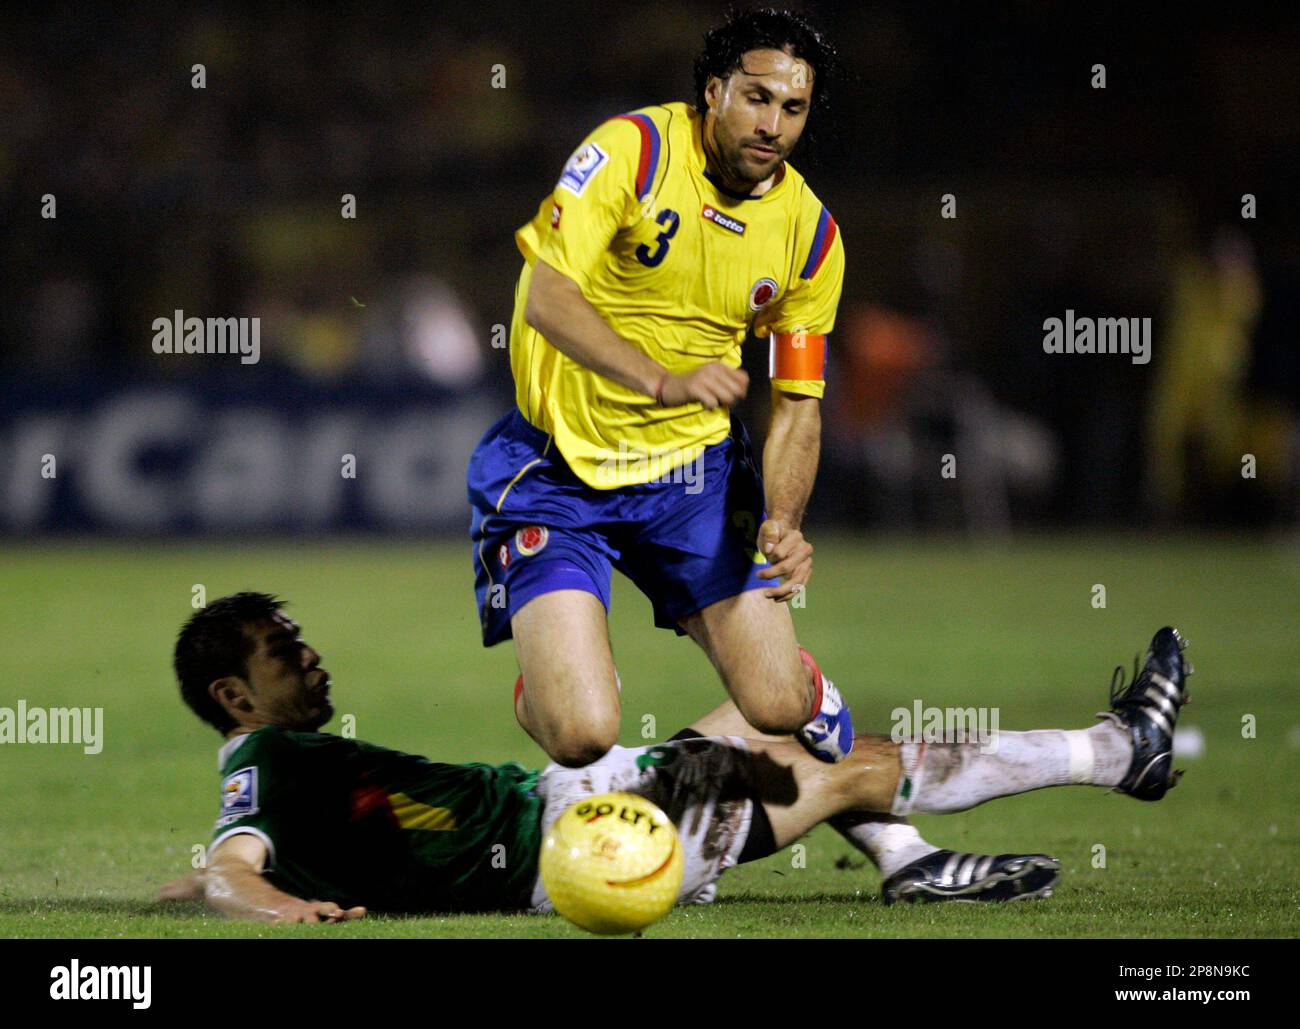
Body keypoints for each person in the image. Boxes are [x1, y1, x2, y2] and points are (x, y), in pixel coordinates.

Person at [162, 593, 1193, 923]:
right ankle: (1113, 753)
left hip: (579, 803)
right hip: (590, 842)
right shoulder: (268, 761)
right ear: (234, 696)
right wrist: (280, 907)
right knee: (841, 757)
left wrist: (210, 886)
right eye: (284, 652)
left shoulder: (280, 776)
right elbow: (230, 871)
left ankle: (909, 860)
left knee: (793, 711)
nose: (311, 655)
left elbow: (227, 863)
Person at [467, 8, 852, 769]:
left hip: (694, 478)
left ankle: (798, 680)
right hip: (557, 469)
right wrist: (659, 377)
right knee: (583, 734)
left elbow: (798, 401)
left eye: (793, 108)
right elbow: (547, 298)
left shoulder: (811, 236)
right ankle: (553, 684)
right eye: (755, 96)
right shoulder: (632, 152)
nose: (771, 123)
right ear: (712, 91)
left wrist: (785, 519)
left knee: (776, 705)